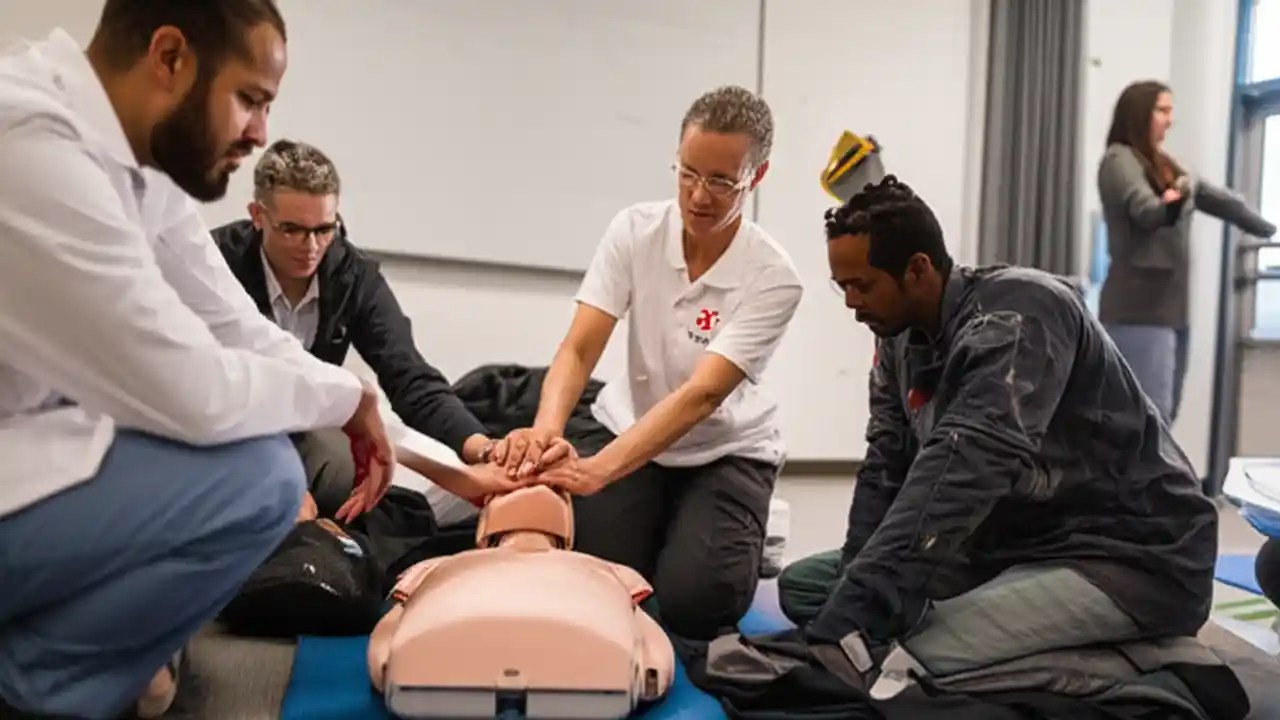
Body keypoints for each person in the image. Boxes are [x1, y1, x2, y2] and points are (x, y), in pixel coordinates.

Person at [0, 2, 401, 717]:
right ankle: (37, 690)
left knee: (239, 467)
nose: (260, 133)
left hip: (27, 445)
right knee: (258, 480)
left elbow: (233, 327)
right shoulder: (28, 138)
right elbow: (192, 390)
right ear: (169, 56)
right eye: (249, 99)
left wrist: (353, 395)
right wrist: (343, 401)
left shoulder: (139, 161)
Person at [777, 176, 1219, 684]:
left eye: (863, 285)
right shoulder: (898, 337)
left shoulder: (1022, 314)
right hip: (1011, 541)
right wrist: (852, 594)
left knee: (915, 654)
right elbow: (885, 465)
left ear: (917, 269)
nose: (851, 302)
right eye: (843, 286)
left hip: (1126, 556)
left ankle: (1145, 659)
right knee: (808, 591)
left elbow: (962, 469)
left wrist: (861, 608)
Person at [496, 85, 804, 641]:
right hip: (632, 429)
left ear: (755, 178)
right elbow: (580, 347)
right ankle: (665, 521)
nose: (698, 196)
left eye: (719, 181)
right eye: (687, 173)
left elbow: (701, 396)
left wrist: (596, 471)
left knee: (696, 604)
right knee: (595, 575)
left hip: (725, 449)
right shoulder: (634, 231)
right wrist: (546, 434)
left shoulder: (774, 277)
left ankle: (749, 528)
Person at [211, 139, 503, 518]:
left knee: (352, 474)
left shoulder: (354, 276)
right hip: (226, 427)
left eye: (324, 229)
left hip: (309, 430)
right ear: (257, 215)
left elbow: (411, 377)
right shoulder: (215, 265)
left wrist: (481, 449)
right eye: (292, 230)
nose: (311, 246)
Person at [1097, 80, 1275, 424]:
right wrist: (1172, 203)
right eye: (1162, 110)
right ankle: (1140, 480)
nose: (1169, 119)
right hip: (1137, 311)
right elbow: (1146, 210)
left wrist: (1266, 228)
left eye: (1170, 111)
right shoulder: (1118, 160)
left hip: (1172, 309)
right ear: (1139, 114)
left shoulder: (1165, 164)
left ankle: (1150, 478)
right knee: (1147, 419)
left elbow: (1219, 200)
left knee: (1164, 414)